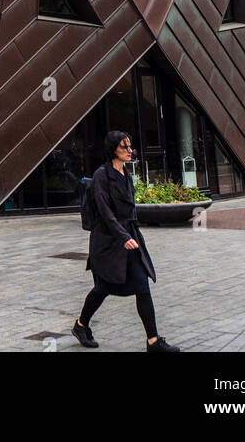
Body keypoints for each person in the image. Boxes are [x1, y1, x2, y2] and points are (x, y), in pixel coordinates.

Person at [71, 130, 180, 353]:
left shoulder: (125, 174)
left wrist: (131, 236)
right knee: (102, 288)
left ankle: (153, 341)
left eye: (131, 147)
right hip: (108, 242)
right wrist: (124, 237)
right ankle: (81, 325)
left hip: (128, 238)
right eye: (125, 147)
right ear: (113, 149)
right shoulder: (102, 176)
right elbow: (105, 213)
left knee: (142, 284)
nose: (130, 151)